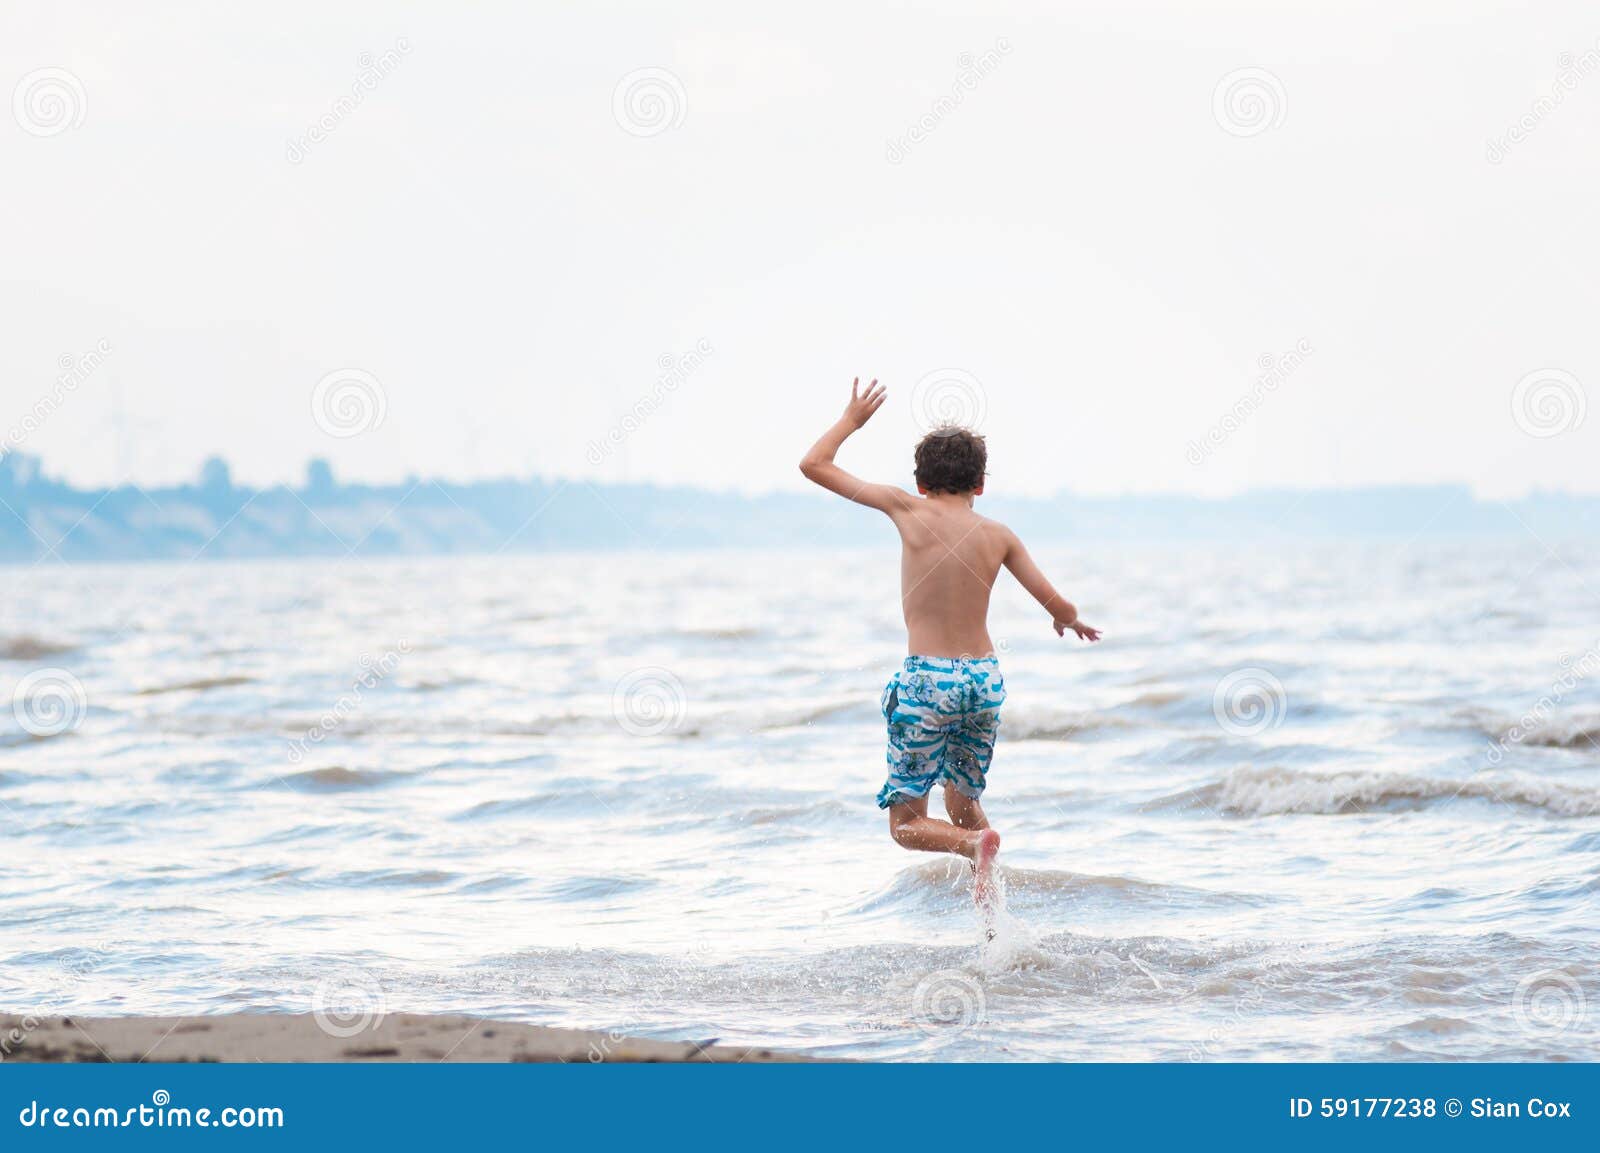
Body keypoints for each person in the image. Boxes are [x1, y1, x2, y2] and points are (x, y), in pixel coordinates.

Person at [799, 378, 1101, 905]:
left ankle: (974, 845)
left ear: (919, 482)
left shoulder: (905, 509)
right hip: (983, 680)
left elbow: (814, 465)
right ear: (980, 484)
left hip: (929, 679)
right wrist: (1068, 621)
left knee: (907, 825)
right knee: (962, 800)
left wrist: (851, 420)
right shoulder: (999, 534)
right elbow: (1057, 603)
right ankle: (994, 919)